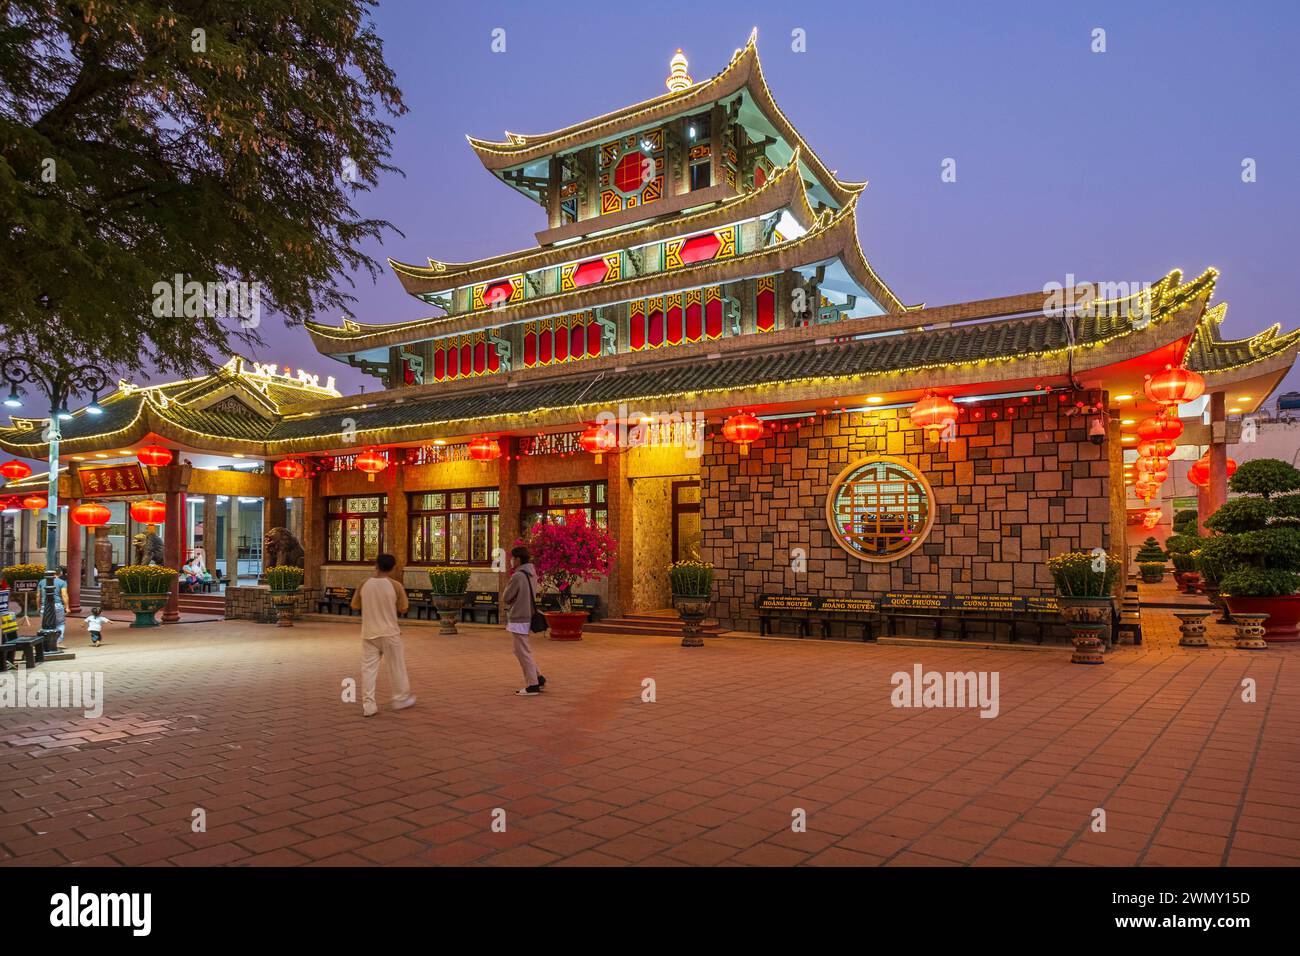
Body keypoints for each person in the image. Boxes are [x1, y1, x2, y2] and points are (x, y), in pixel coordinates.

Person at [350, 553, 416, 717]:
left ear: (376, 566)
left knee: (368, 670)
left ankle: (369, 705)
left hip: (369, 633)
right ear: (393, 568)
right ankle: (400, 698)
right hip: (390, 633)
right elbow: (403, 608)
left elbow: (354, 606)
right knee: (397, 667)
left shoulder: (364, 584)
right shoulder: (395, 586)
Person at [502, 546, 547, 696]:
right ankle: (538, 678)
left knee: (522, 651)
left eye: (512, 558)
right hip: (528, 615)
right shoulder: (531, 573)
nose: (510, 561)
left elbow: (506, 597)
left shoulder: (518, 576)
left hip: (519, 617)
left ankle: (532, 684)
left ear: (518, 559)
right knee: (523, 649)